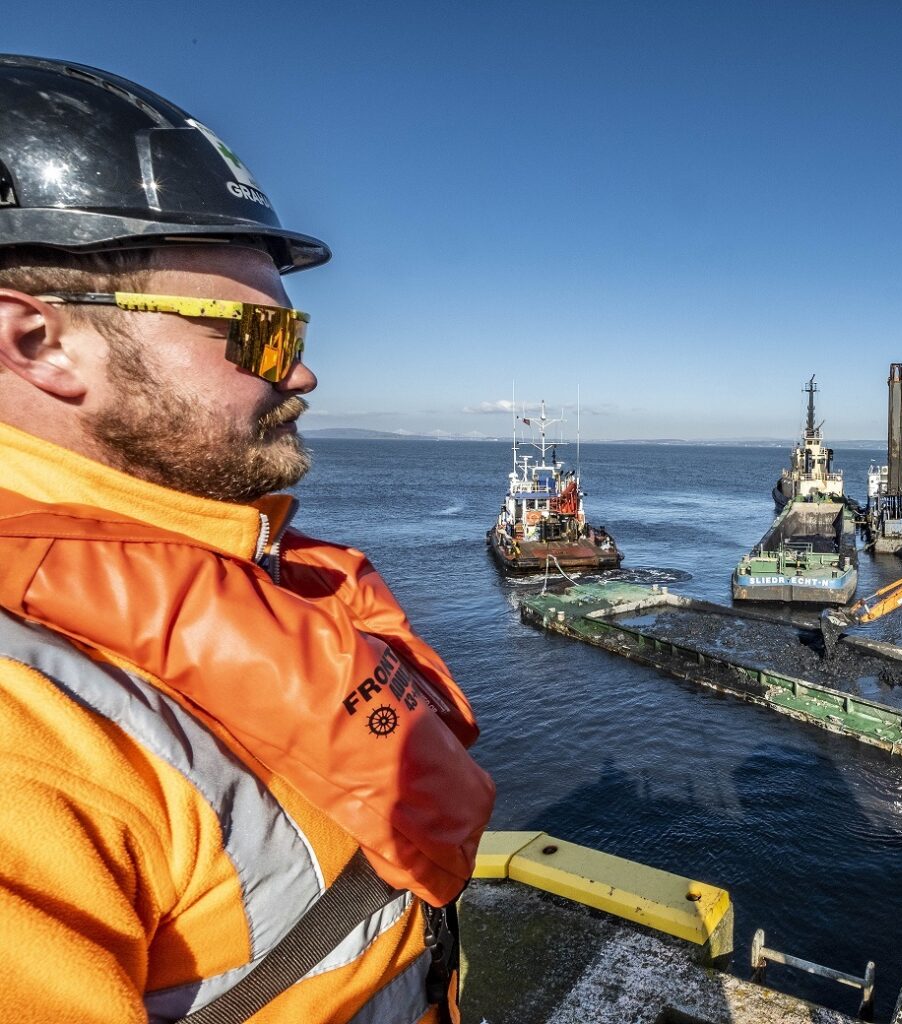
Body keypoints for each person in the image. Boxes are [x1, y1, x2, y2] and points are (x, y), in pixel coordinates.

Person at [0, 55, 495, 1022]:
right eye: (263, 338)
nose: (303, 376)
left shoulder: (229, 561)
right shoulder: (29, 736)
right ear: (39, 343)